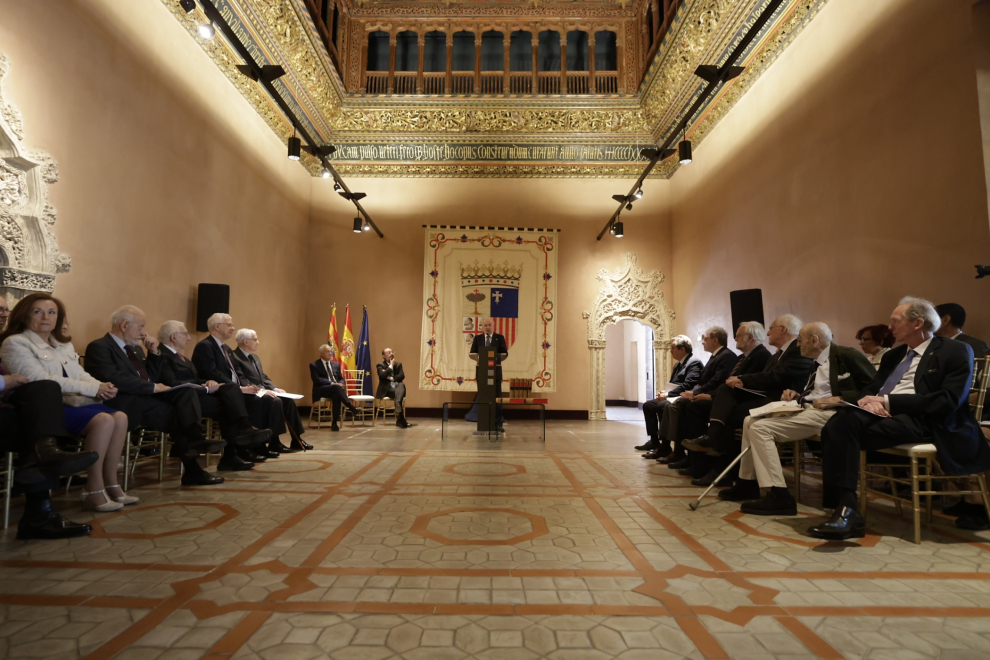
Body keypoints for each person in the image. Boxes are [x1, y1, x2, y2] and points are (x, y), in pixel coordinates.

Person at [809, 297, 990, 541]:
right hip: (880, 414)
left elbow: (949, 400)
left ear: (917, 323)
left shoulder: (955, 350)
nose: (890, 326)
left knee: (839, 431)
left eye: (895, 321)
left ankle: (845, 509)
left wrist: (888, 402)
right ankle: (847, 508)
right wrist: (868, 400)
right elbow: (872, 388)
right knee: (841, 422)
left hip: (926, 419)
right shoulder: (893, 356)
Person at [718, 322, 876, 515]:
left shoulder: (846, 354)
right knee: (749, 420)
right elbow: (816, 391)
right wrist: (796, 394)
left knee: (761, 428)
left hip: (831, 413)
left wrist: (841, 398)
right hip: (808, 408)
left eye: (800, 340)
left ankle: (779, 495)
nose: (798, 345)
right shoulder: (816, 362)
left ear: (814, 340)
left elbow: (875, 387)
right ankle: (748, 482)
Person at [1, 294, 134, 512]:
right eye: (38, 311)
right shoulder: (16, 342)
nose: (46, 317)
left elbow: (80, 374)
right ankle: (93, 488)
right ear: (25, 315)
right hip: (45, 408)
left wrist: (102, 386)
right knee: (103, 420)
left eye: (51, 312)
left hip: (74, 401)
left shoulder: (62, 345)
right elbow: (39, 380)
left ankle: (112, 483)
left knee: (120, 417)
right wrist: (93, 389)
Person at [84, 305, 226, 486]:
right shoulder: (100, 346)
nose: (143, 333)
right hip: (122, 401)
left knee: (185, 393)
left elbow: (150, 376)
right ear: (124, 325)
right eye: (141, 326)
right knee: (179, 416)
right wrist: (152, 387)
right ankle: (193, 459)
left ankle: (194, 450)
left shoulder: (135, 349)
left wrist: (153, 353)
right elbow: (114, 378)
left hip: (145, 399)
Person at [683, 315, 814, 485]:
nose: (767, 333)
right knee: (722, 398)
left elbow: (775, 377)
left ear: (782, 330)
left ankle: (725, 466)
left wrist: (743, 379)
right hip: (766, 397)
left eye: (771, 328)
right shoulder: (777, 355)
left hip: (782, 401)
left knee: (731, 413)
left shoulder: (796, 351)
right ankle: (717, 462)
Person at [156, 320, 272, 470]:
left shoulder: (180, 356)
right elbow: (173, 382)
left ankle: (244, 431)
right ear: (174, 337)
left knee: (230, 391)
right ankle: (232, 451)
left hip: (196, 394)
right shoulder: (161, 355)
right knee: (228, 405)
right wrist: (203, 388)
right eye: (185, 334)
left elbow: (196, 379)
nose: (189, 338)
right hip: (183, 399)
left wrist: (208, 382)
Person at [678, 321, 780, 485]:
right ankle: (698, 463)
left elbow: (748, 386)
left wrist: (711, 397)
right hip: (730, 398)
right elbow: (727, 384)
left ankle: (717, 466)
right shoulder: (742, 357)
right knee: (693, 406)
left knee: (714, 412)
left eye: (739, 335)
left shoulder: (761, 356)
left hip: (745, 401)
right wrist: (710, 396)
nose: (735, 338)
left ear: (750, 337)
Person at [191, 314, 294, 456]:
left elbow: (238, 372)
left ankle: (260, 444)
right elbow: (211, 372)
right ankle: (247, 445)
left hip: (235, 390)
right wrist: (239, 388)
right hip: (220, 391)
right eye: (229, 325)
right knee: (258, 400)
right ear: (217, 326)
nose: (233, 328)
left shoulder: (226, 348)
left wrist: (249, 386)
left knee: (267, 399)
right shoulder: (205, 346)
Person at [652, 327, 738, 464]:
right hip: (704, 394)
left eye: (705, 339)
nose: (703, 342)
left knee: (680, 405)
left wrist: (696, 392)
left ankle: (685, 454)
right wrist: (695, 392)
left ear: (715, 340)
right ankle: (681, 452)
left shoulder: (726, 356)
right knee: (673, 404)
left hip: (714, 398)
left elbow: (718, 381)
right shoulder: (716, 355)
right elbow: (705, 381)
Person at [231, 328, 311, 451]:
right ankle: (275, 441)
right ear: (246, 341)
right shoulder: (235, 357)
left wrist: (275, 388)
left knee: (288, 401)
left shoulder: (255, 357)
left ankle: (297, 439)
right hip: (251, 393)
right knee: (276, 401)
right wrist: (261, 391)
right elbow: (242, 379)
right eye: (255, 339)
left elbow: (262, 376)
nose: (258, 342)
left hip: (264, 391)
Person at [637, 335, 703, 455]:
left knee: (661, 405)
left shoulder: (694, 363)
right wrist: (664, 392)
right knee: (648, 405)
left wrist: (667, 395)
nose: (671, 351)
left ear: (682, 349)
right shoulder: (678, 364)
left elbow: (688, 384)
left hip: (683, 396)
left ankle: (665, 445)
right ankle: (654, 440)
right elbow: (674, 383)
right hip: (673, 395)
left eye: (673, 348)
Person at [469, 317, 509, 432]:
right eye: (485, 325)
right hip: (482, 372)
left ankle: (498, 423)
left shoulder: (499, 338)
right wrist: (481, 358)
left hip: (495, 372)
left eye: (489, 325)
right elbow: (473, 353)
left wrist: (493, 358)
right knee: (483, 397)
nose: (487, 327)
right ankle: (483, 423)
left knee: (497, 398)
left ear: (493, 326)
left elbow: (504, 353)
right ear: (482, 327)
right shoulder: (478, 338)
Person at [309, 344, 358, 431]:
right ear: (321, 354)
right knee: (336, 388)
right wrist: (332, 383)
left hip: (335, 389)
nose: (330, 353)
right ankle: (350, 407)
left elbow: (340, 378)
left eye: (330, 351)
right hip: (322, 389)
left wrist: (341, 383)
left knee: (336, 395)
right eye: (327, 351)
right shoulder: (314, 365)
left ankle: (334, 423)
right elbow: (316, 379)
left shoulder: (336, 364)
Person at [376, 347, 411, 428]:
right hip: (386, 389)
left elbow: (402, 376)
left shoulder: (399, 364)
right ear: (384, 356)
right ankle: (401, 420)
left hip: (396, 388)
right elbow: (382, 375)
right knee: (399, 393)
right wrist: (391, 366)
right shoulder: (380, 365)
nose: (391, 353)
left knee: (401, 385)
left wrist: (390, 378)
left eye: (392, 352)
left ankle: (398, 405)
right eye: (388, 352)